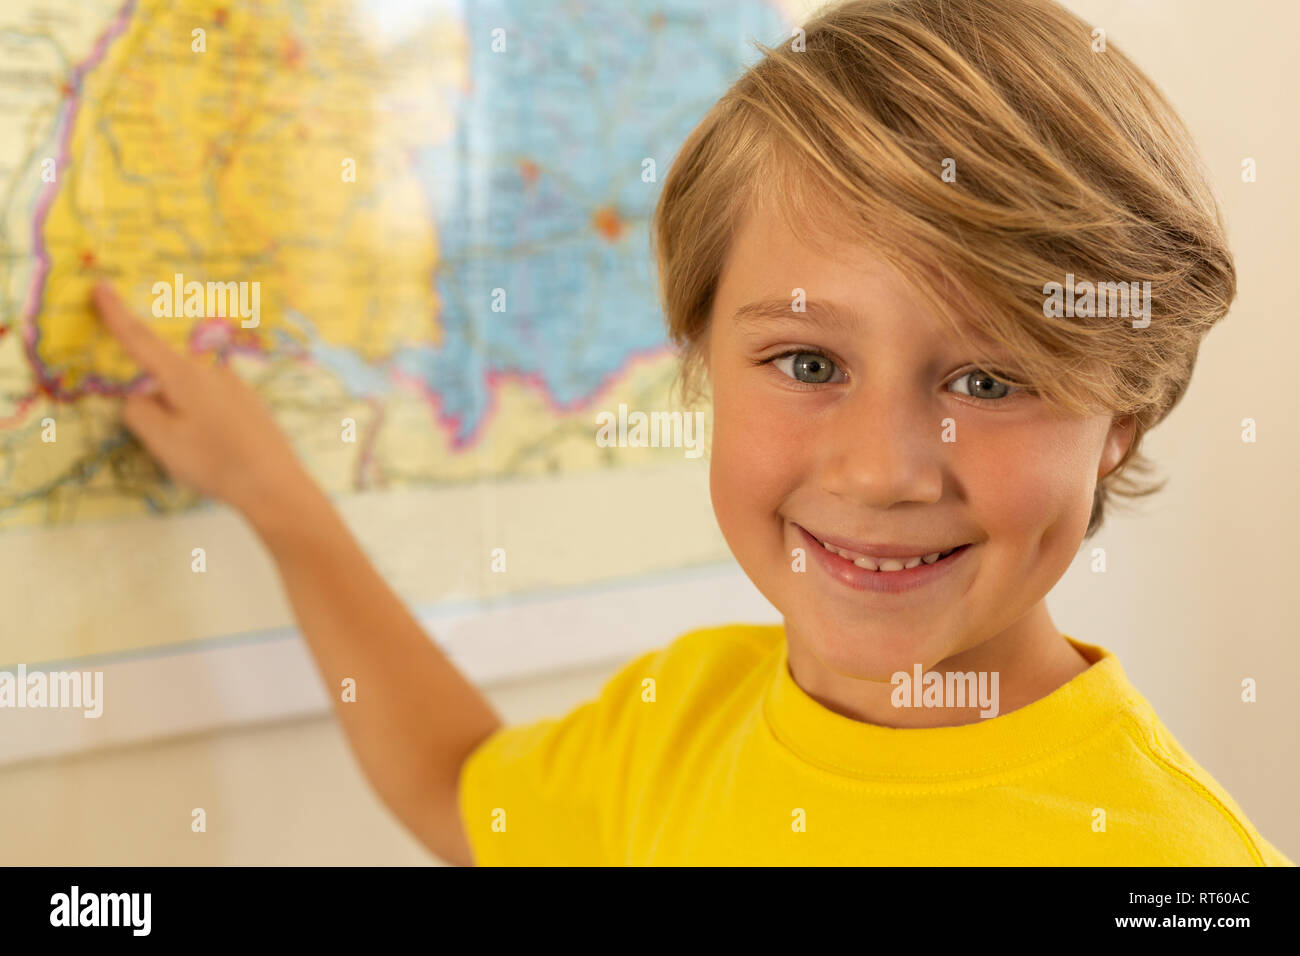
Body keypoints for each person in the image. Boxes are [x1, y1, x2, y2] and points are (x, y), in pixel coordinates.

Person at [90, 0, 1292, 865]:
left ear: (1121, 417)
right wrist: (276, 496)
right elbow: (458, 790)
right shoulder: (674, 722)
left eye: (991, 380)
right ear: (701, 357)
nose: (880, 467)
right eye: (808, 362)